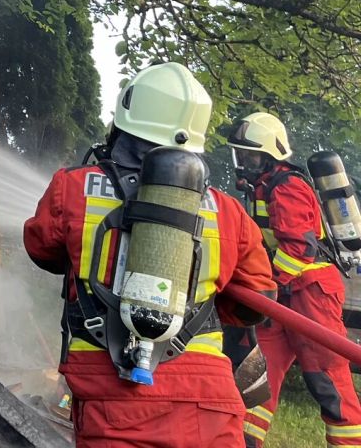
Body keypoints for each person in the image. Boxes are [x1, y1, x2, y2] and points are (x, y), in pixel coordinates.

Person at [25, 62, 276, 447]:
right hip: (210, 399)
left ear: (124, 122)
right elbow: (257, 301)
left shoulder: (73, 188)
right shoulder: (227, 211)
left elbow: (41, 249)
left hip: (114, 399)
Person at [229, 112, 361, 447]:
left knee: (326, 380)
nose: (243, 161)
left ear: (270, 154)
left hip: (310, 295)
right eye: (241, 154)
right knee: (258, 374)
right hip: (284, 296)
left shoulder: (288, 186)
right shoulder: (261, 187)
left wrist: (265, 282)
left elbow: (299, 248)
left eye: (250, 154)